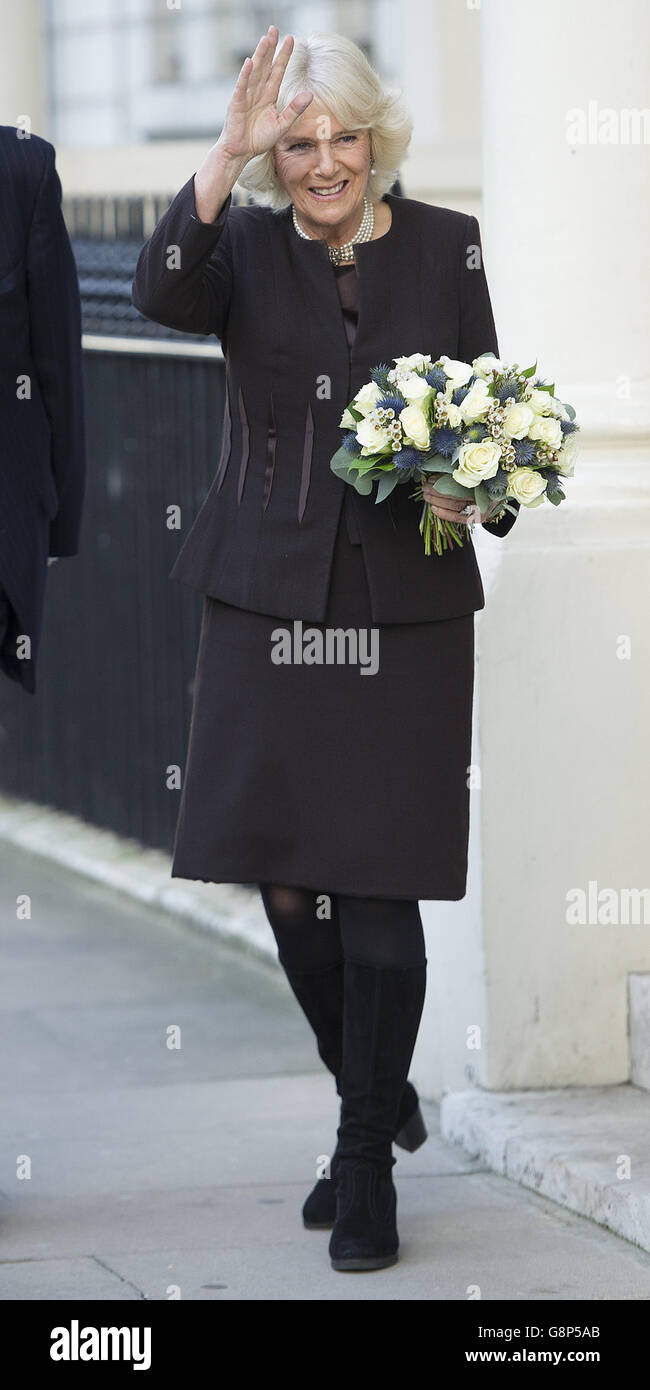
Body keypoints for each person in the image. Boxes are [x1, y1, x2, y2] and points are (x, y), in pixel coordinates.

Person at [132, 26, 519, 1273]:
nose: (318, 162)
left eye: (337, 137)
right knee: (288, 888)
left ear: (374, 138)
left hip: (402, 605)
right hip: (263, 599)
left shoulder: (447, 242)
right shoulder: (238, 246)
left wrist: (476, 490)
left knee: (377, 891)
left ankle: (361, 1161)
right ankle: (381, 1094)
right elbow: (158, 292)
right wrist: (222, 151)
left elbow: (487, 418)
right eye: (294, 145)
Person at [0, 127, 86, 694]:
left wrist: (56, 521)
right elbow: (55, 357)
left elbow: (55, 359)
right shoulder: (21, 165)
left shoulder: (23, 167)